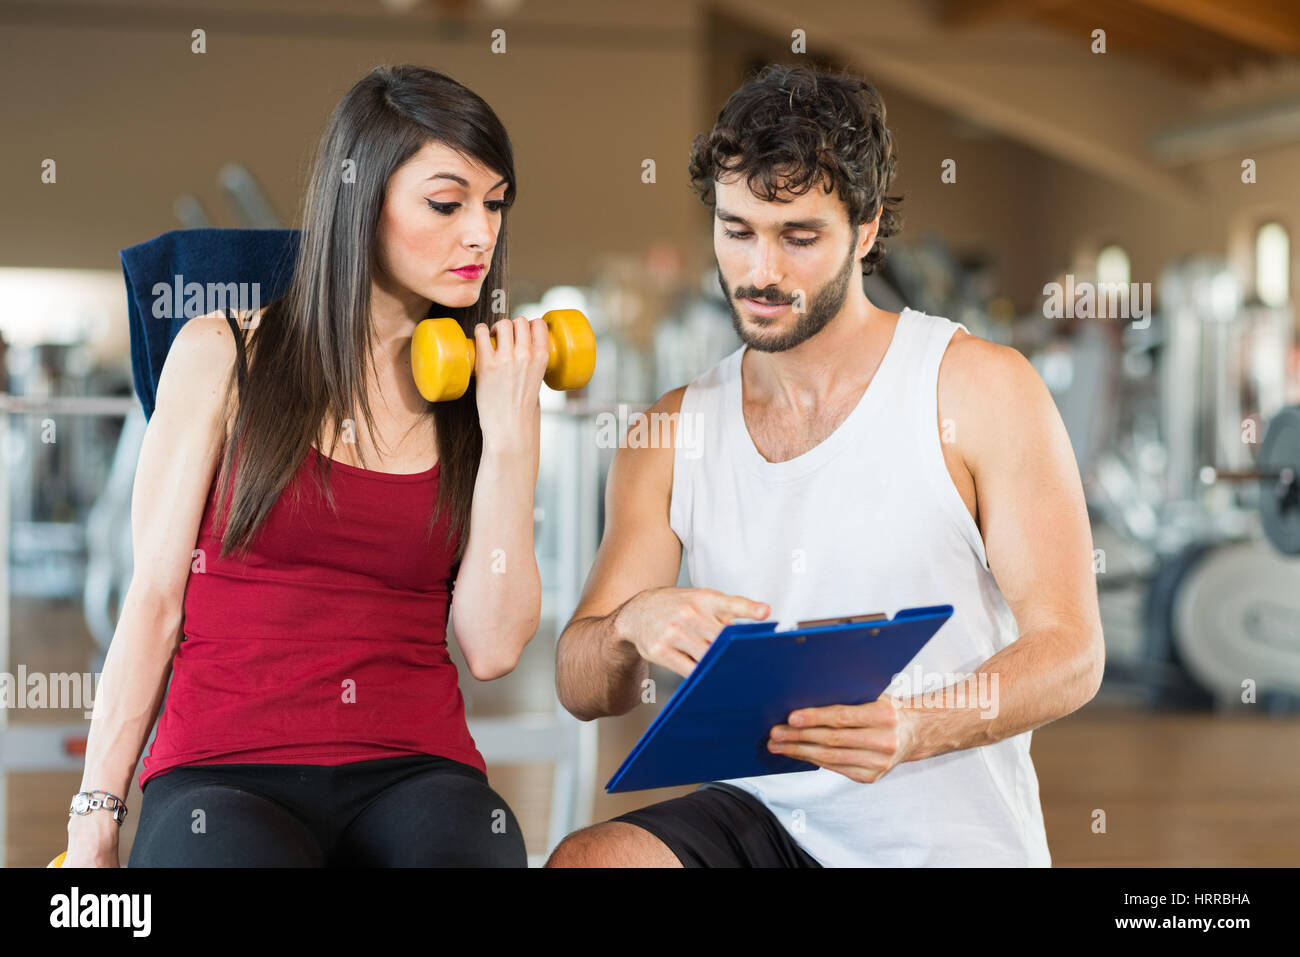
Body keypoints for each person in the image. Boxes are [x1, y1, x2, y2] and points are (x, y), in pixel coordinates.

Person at [547, 63, 1104, 867]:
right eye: (736, 230)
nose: (760, 272)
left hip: (942, 839)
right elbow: (579, 681)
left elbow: (1073, 651)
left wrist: (915, 726)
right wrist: (633, 624)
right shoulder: (671, 430)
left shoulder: (979, 387)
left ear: (866, 230)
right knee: (593, 860)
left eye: (799, 237)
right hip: (765, 816)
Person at [64, 65, 546, 867]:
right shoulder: (223, 353)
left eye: (495, 203)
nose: (481, 234)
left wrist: (513, 438)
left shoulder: (481, 396)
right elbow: (151, 600)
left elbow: (493, 648)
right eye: (447, 201)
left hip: (416, 768)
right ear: (362, 203)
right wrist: (95, 815)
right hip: (225, 770)